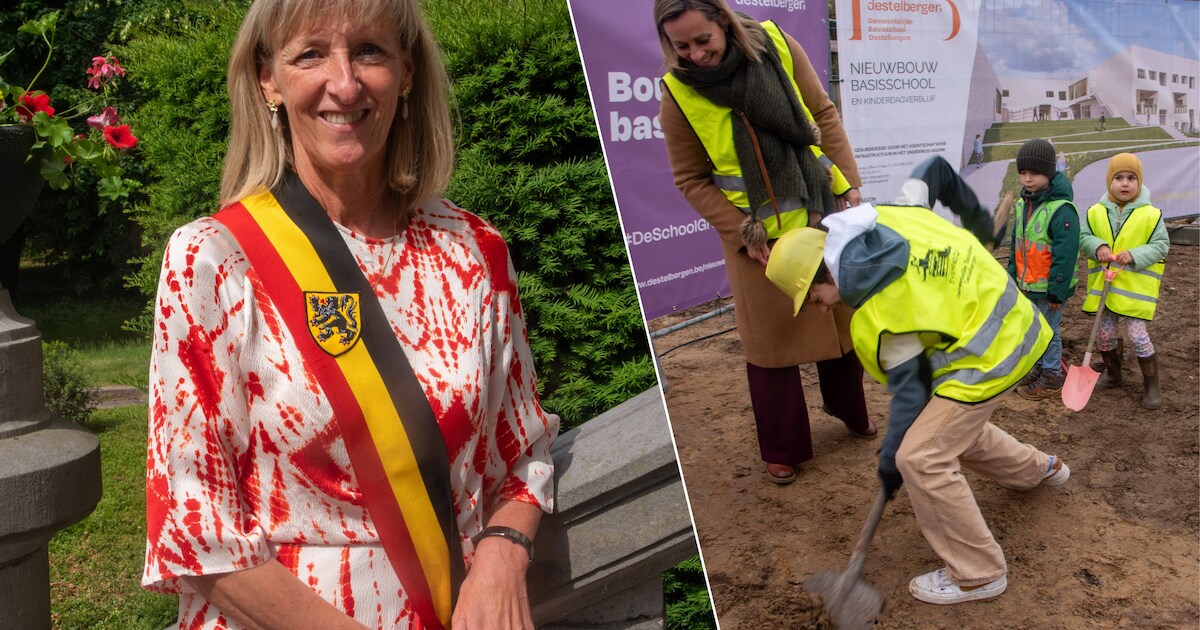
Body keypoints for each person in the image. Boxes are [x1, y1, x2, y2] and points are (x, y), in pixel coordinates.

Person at [141, 1, 557, 628]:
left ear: (407, 71)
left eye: (369, 51)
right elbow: (193, 528)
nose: (344, 82)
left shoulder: (473, 250)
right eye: (310, 54)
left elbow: (522, 452)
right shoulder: (213, 261)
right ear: (268, 79)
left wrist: (504, 551)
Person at [767, 155, 1069, 606]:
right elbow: (935, 170)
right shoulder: (890, 212)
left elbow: (911, 401)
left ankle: (979, 574)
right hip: (1018, 322)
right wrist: (977, 219)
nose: (820, 307)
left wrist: (893, 461)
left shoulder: (877, 320)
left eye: (813, 296)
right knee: (948, 430)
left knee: (922, 456)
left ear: (823, 272)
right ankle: (1039, 470)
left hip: (989, 356)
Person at [653, 0, 875, 485]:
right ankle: (783, 447)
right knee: (769, 347)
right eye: (680, 46)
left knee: (840, 325)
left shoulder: (777, 44)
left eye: (703, 40)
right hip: (758, 241)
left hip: (822, 215)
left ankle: (849, 411)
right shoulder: (677, 93)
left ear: (724, 25)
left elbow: (823, 113)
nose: (695, 55)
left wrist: (850, 184)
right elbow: (691, 179)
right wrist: (739, 233)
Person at [1079, 153, 1169, 409]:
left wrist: (1136, 255)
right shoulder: (1095, 212)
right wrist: (1098, 246)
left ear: (1140, 182)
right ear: (1110, 181)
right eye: (1119, 178)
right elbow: (1084, 237)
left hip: (1134, 291)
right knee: (1104, 335)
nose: (1125, 184)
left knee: (1138, 336)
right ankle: (1113, 374)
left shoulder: (1151, 215)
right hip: (1106, 290)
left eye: (1132, 178)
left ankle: (1152, 385)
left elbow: (1162, 246)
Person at [1006, 138, 1080, 400]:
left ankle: (1052, 376)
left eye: (1034, 173)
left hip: (1049, 288)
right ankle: (1040, 367)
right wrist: (1012, 277)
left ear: (1049, 173)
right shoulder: (1023, 203)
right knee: (1033, 329)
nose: (1027, 179)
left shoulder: (1062, 210)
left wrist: (1057, 292)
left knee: (1047, 331)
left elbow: (1066, 254)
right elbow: (1018, 244)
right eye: (1023, 173)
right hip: (1027, 284)